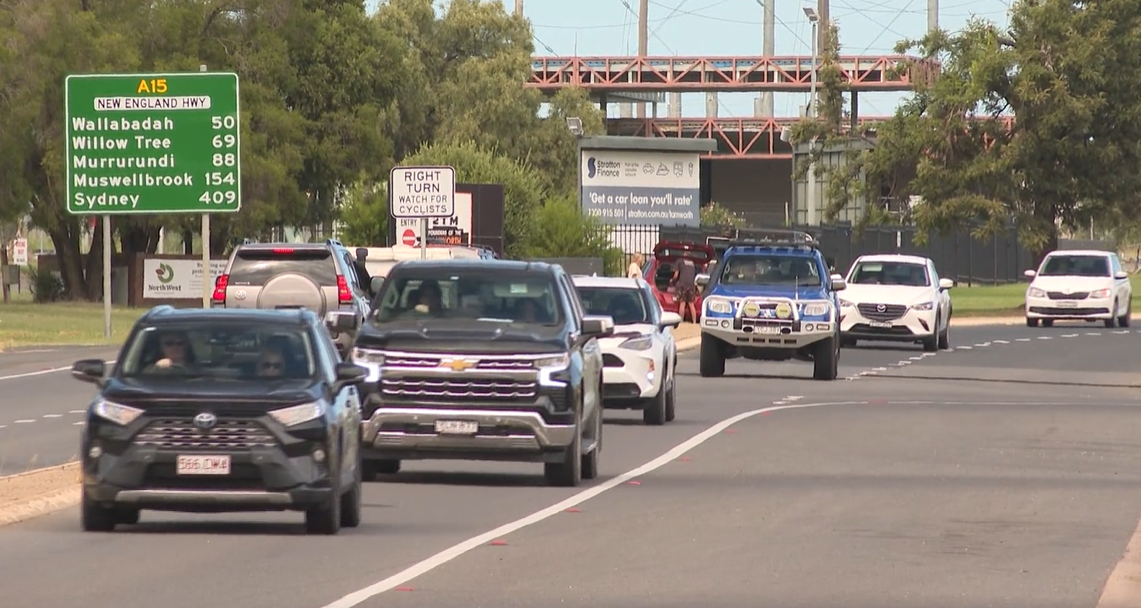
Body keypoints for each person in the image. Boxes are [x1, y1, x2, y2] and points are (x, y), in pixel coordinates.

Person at [671, 257, 698, 323]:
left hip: (682, 285)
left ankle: (681, 321)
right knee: (691, 304)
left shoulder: (680, 261)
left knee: (682, 303)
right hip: (691, 285)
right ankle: (694, 322)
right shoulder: (692, 263)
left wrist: (672, 281)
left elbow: (676, 275)